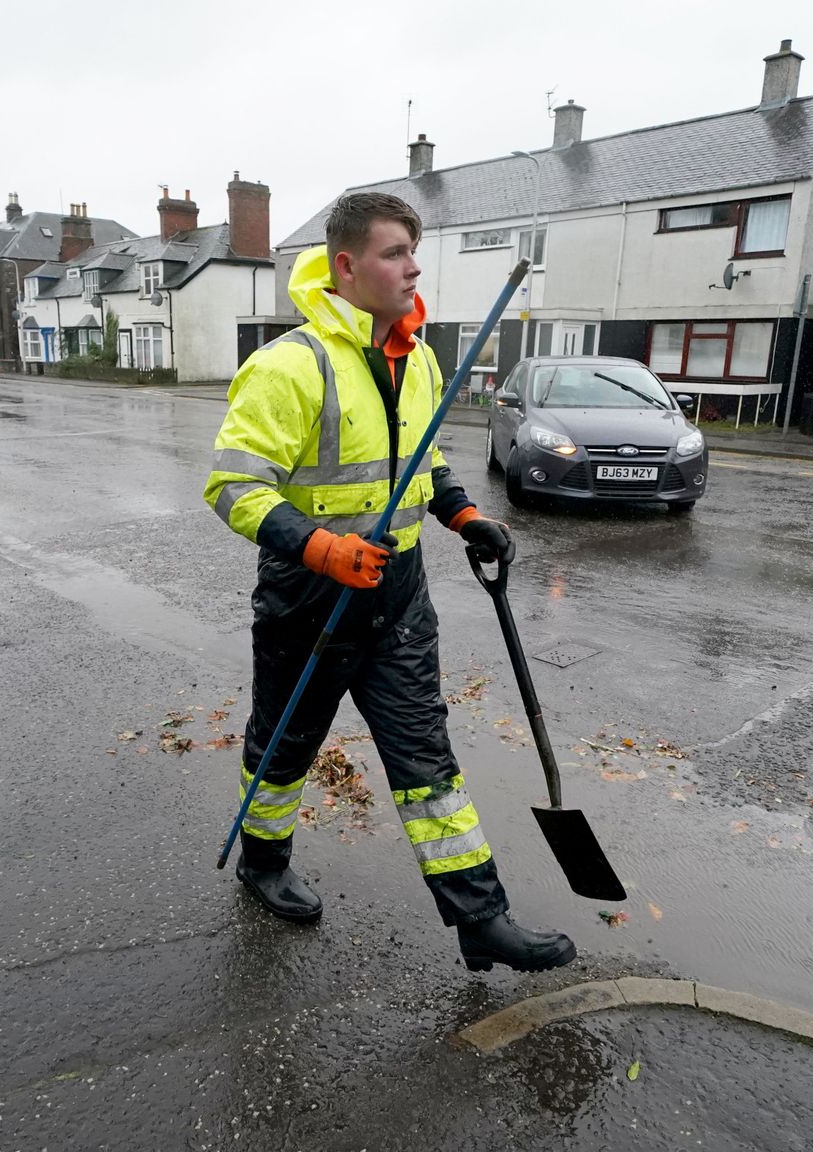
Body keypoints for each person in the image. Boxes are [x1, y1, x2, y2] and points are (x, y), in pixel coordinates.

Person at [203, 192, 576, 973]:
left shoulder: (421, 359)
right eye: (394, 253)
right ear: (346, 266)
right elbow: (233, 488)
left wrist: (463, 514)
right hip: (310, 596)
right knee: (284, 745)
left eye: (414, 252)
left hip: (398, 595)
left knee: (424, 756)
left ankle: (480, 916)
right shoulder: (290, 365)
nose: (413, 269)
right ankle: (264, 863)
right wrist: (321, 549)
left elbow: (423, 462)